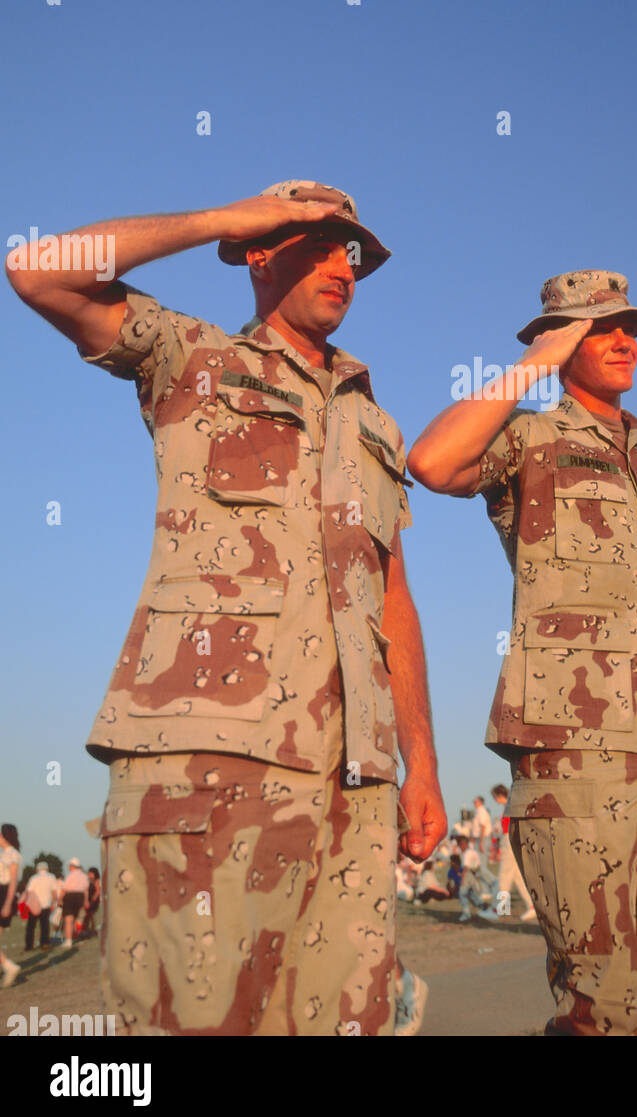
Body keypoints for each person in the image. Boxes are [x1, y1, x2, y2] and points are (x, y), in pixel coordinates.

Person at [6, 179, 446, 1035]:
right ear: (256, 252)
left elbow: (393, 600)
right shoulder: (194, 359)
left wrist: (418, 762)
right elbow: (36, 272)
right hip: (205, 765)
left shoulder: (379, 428)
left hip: (354, 780)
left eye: (348, 253)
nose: (339, 267)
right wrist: (225, 217)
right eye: (311, 242)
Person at [408, 270, 637, 1035]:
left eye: (628, 328)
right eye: (596, 327)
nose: (620, 341)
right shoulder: (528, 439)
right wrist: (534, 367)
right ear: (558, 339)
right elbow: (433, 463)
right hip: (575, 755)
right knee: (601, 1003)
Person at [490, 783, 537, 920]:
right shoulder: (511, 804)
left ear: (498, 795)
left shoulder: (508, 806)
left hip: (508, 840)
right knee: (517, 877)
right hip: (510, 840)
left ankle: (500, 909)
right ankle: (532, 905)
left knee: (504, 876)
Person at [0, 824, 23, 988]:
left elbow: (13, 881)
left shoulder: (12, 854)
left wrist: (8, 902)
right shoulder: (5, 854)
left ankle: (9, 966)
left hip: (4, 893)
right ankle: (8, 966)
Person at [23, 860, 61, 953]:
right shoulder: (51, 877)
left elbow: (29, 891)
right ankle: (44, 943)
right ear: (47, 868)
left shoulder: (34, 878)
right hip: (46, 904)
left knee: (31, 926)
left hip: (34, 905)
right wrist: (53, 903)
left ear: (37, 869)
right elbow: (54, 893)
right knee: (44, 925)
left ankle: (29, 945)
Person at [59, 858, 90, 953]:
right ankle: (74, 936)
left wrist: (59, 899)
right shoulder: (84, 876)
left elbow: (64, 889)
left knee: (69, 919)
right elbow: (86, 890)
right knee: (76, 919)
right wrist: (86, 901)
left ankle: (68, 941)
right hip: (80, 897)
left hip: (70, 896)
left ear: (72, 866)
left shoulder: (71, 875)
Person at [81, 867, 102, 937]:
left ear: (95, 874)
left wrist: (92, 900)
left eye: (90, 873)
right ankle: (88, 930)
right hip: (89, 900)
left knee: (91, 916)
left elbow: (98, 891)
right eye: (88, 873)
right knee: (88, 916)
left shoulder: (96, 881)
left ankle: (93, 931)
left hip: (94, 901)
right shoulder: (88, 881)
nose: (89, 875)